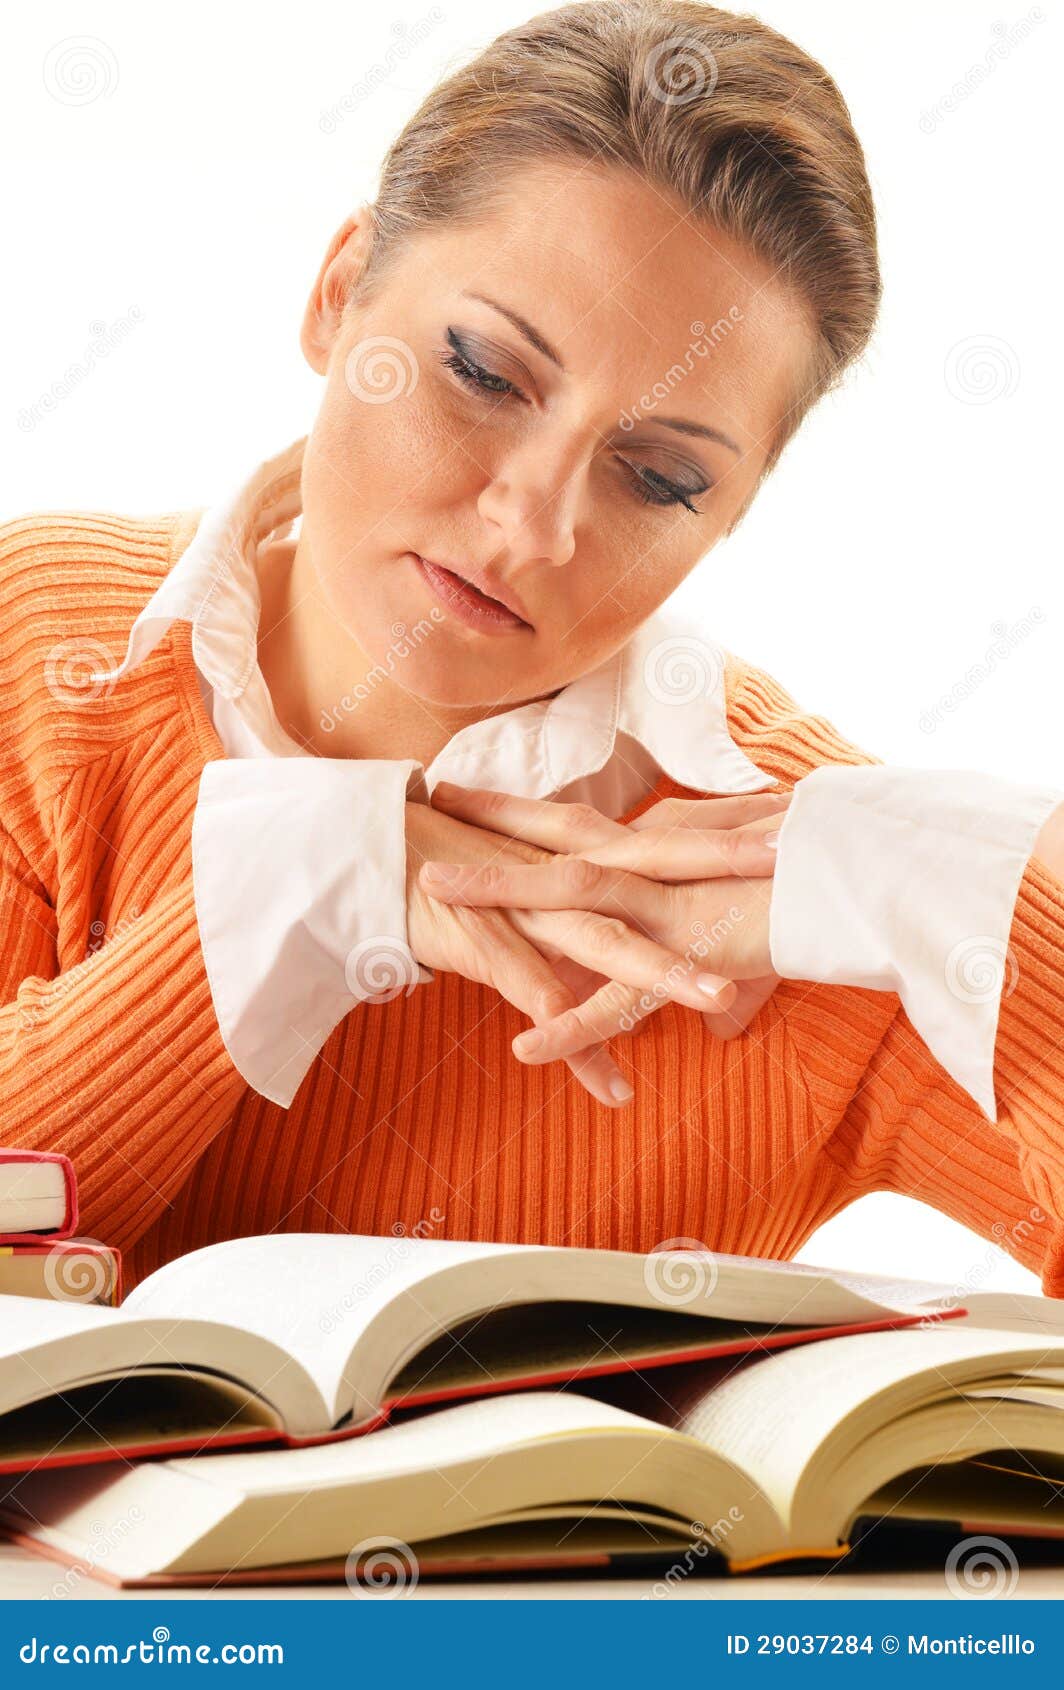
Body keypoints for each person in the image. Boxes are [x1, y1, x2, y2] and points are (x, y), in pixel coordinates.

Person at [2, 0, 1063, 1297]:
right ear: (339, 296)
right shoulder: (38, 649)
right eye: (484, 371)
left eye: (661, 476)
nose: (533, 521)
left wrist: (987, 895)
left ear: (732, 519)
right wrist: (278, 889)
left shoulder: (783, 884)